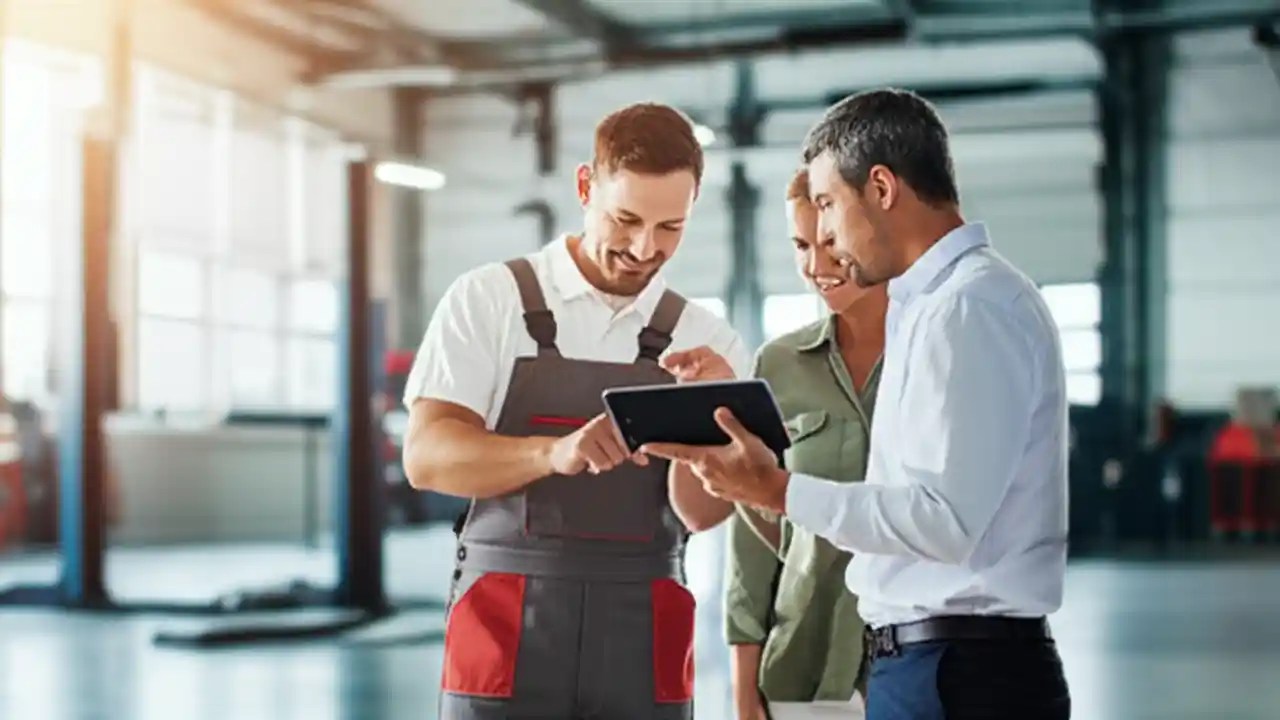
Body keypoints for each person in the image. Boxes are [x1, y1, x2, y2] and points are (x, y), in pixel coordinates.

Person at [642, 89, 1072, 720]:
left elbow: (943, 522)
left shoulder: (968, 309)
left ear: (881, 188)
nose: (828, 239)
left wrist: (778, 489)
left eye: (827, 204)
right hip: (928, 667)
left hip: (958, 674)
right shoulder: (932, 309)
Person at [400, 102, 751, 720]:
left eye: (671, 227)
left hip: (643, 628)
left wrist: (709, 427)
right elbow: (426, 458)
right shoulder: (491, 300)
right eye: (626, 219)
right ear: (586, 186)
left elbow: (700, 515)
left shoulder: (706, 340)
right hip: (508, 623)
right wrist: (549, 452)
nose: (645, 248)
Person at [671, 168, 887, 720]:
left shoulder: (933, 352)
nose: (816, 266)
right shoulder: (778, 365)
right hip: (801, 672)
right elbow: (750, 547)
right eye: (800, 244)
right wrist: (745, 691)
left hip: (912, 664)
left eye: (831, 242)